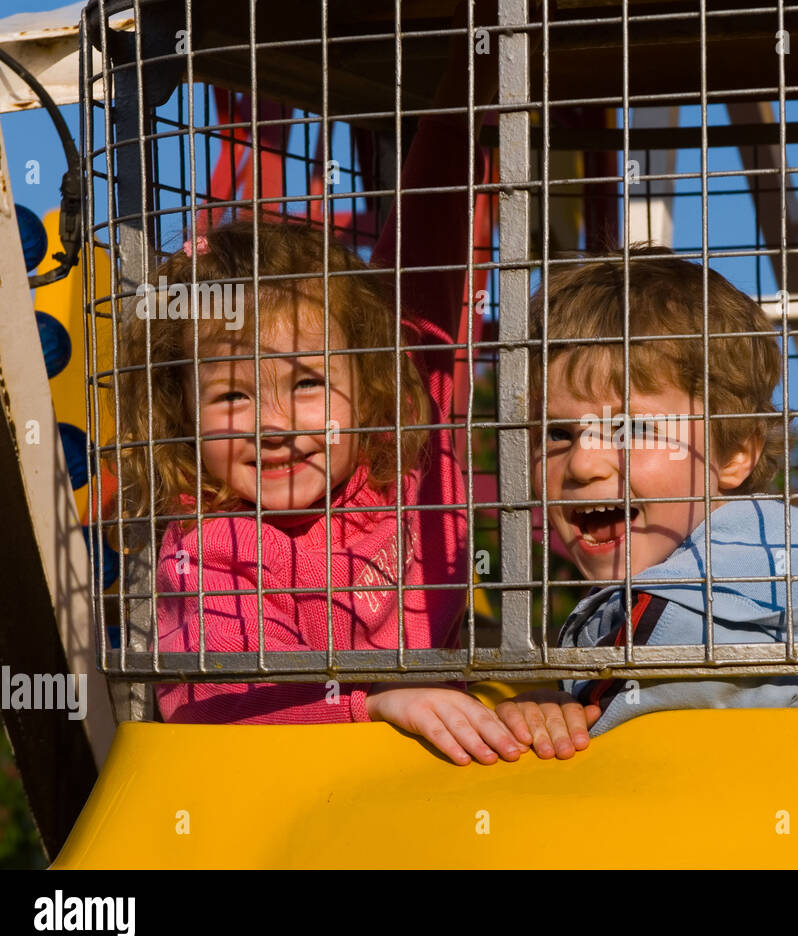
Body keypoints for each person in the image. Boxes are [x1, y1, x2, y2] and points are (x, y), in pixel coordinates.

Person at [114, 119, 531, 766]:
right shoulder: (213, 553)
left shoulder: (401, 463)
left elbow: (433, 253)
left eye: (307, 383)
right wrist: (379, 705)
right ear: (183, 417)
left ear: (367, 389)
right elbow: (222, 707)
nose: (273, 424)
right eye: (233, 397)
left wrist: (468, 71)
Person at [495, 248, 798, 743]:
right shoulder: (653, 596)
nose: (582, 464)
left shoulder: (738, 573)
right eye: (556, 433)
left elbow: (624, 752)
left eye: (629, 428)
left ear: (734, 455)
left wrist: (571, 715)